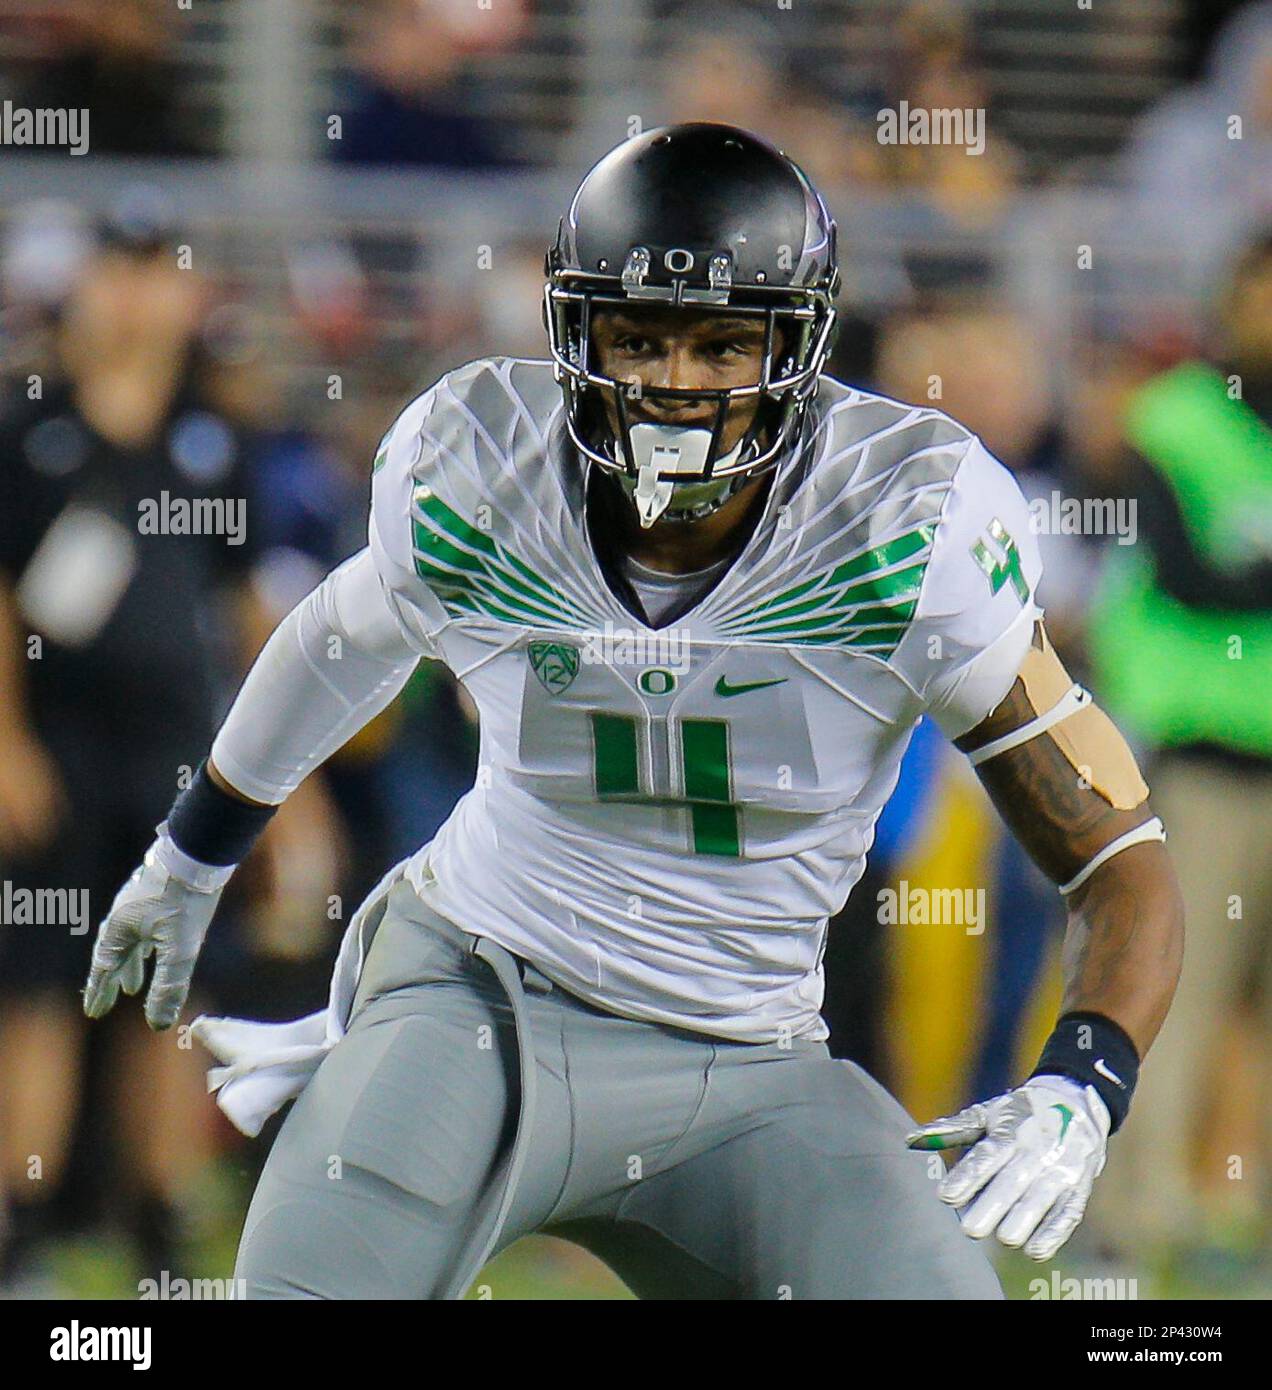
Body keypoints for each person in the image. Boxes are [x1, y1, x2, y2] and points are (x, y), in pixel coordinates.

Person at [82, 124, 1183, 1300]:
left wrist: (1083, 1083)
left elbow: (1118, 858)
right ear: (575, 332)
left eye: (720, 344)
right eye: (640, 335)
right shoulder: (486, 469)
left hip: (750, 1065)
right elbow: (342, 635)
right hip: (478, 1001)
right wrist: (192, 858)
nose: (674, 382)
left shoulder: (905, 529)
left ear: (797, 345)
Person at [1085, 228, 1272, 1262]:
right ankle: (1136, 1216)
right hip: (1200, 757)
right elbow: (1198, 576)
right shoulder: (1176, 418)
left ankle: (1240, 1215)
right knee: (1176, 996)